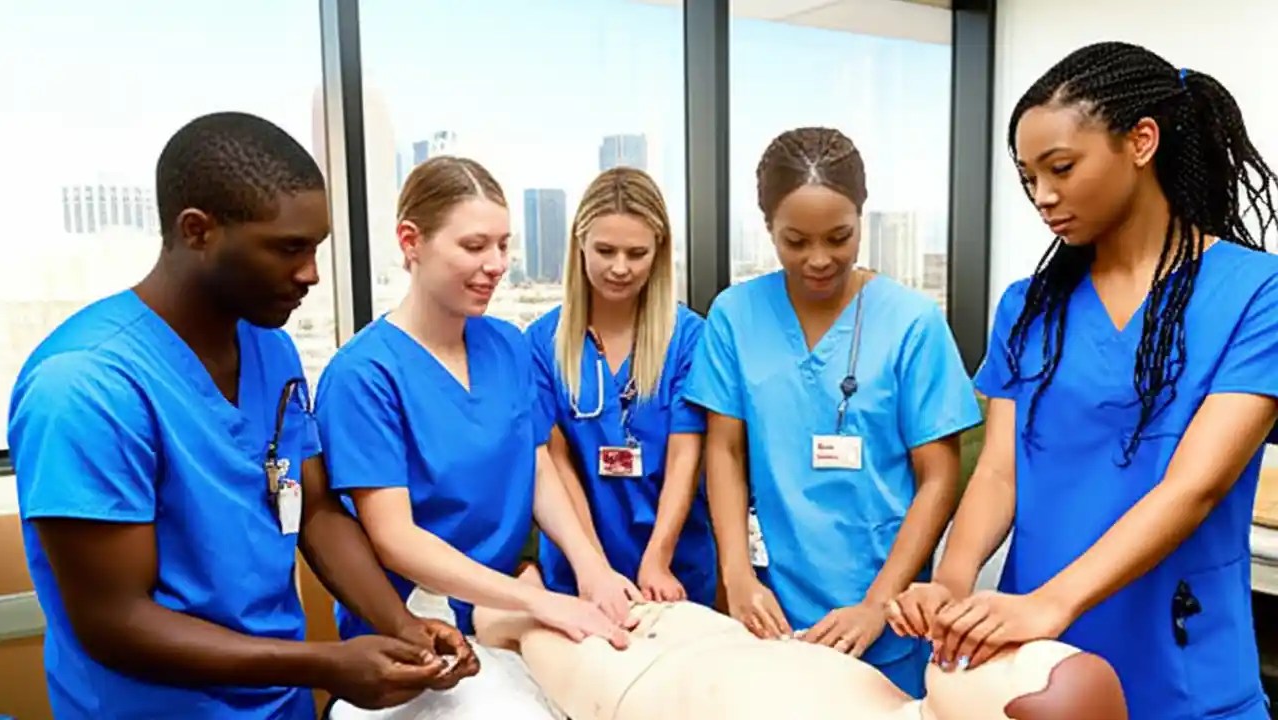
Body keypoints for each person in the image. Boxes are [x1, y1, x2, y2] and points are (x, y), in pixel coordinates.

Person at [6, 112, 477, 720]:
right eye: (288, 249)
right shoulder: (84, 386)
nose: (310, 272)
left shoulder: (269, 345)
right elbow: (114, 622)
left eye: (315, 248)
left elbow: (312, 507)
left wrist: (402, 624)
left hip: (277, 702)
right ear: (198, 231)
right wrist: (325, 664)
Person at [889, 41, 1278, 720]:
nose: (1043, 196)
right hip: (1036, 665)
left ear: (1141, 141)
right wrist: (950, 585)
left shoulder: (1256, 293)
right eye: (1028, 177)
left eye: (1061, 168)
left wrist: (1053, 601)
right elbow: (1000, 473)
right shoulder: (1028, 305)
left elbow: (1195, 485)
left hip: (1183, 661)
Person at [682, 126, 983, 698]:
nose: (819, 259)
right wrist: (737, 576)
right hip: (770, 610)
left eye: (839, 237)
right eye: (795, 241)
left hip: (883, 612)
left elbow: (939, 478)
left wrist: (878, 604)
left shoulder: (912, 323)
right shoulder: (735, 315)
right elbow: (723, 451)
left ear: (862, 218)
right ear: (767, 226)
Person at [312, 156, 638, 669]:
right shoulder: (363, 376)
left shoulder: (507, 345)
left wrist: (591, 566)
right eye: (474, 246)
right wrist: (535, 600)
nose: (497, 263)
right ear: (410, 242)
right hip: (419, 629)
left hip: (504, 610)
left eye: (504, 245)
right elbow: (394, 537)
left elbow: (536, 468)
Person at [458, 565, 1130, 720]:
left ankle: (501, 613)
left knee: (520, 622)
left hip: (642, 690)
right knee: (619, 607)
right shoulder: (914, 701)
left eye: (1004, 656)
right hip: (722, 639)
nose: (984, 643)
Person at [524, 166, 717, 607]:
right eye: (605, 250)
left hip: (673, 573)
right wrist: (595, 569)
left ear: (660, 252)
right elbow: (555, 463)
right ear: (579, 244)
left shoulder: (689, 338)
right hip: (578, 576)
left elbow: (686, 455)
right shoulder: (540, 344)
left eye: (637, 253)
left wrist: (657, 560)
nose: (620, 268)